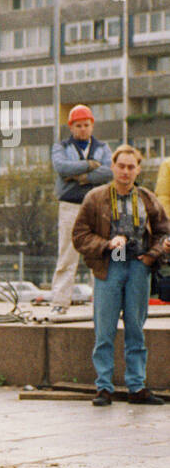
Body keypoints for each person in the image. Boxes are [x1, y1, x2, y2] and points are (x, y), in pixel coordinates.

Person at [72, 145, 169, 406]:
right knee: (104, 329)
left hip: (139, 266)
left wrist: (153, 254)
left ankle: (137, 386)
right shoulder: (96, 198)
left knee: (136, 329)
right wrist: (105, 243)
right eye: (121, 166)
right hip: (109, 266)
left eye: (131, 167)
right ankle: (104, 387)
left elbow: (164, 231)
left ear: (138, 169)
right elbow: (79, 235)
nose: (125, 171)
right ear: (113, 167)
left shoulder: (148, 198)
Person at [49, 105, 112, 315]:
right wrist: (89, 165)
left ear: (92, 125)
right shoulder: (61, 147)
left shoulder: (103, 147)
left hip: (96, 206)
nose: (83, 129)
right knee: (67, 254)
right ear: (71, 127)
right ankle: (59, 301)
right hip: (69, 205)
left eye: (86, 125)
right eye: (79, 125)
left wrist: (80, 176)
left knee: (99, 253)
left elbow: (108, 171)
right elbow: (61, 167)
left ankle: (102, 303)